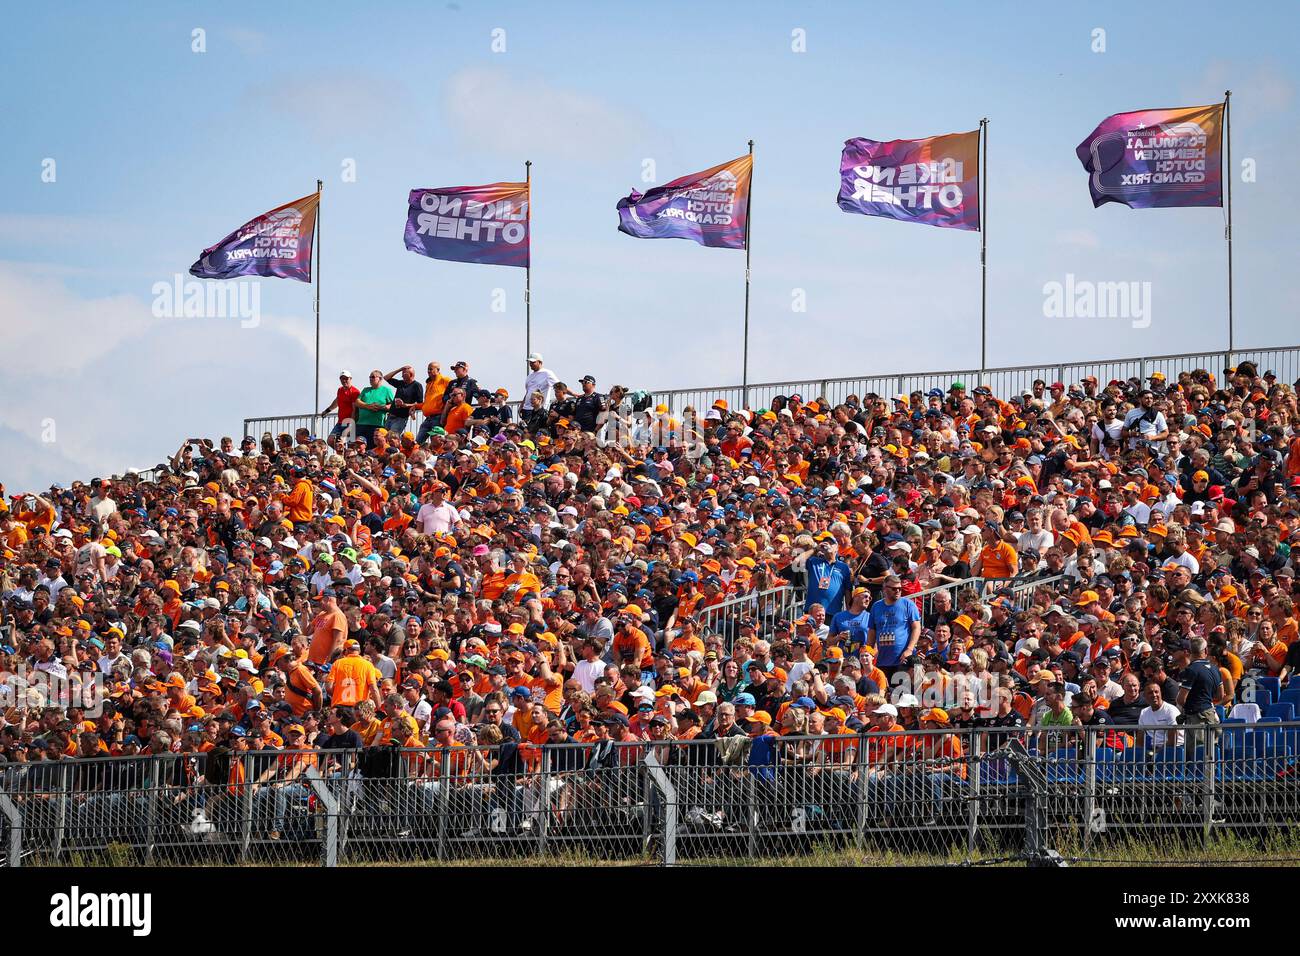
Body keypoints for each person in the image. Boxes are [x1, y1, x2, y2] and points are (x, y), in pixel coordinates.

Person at [354, 370, 395, 448]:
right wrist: (368, 406)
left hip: (376, 425)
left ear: (380, 378)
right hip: (361, 424)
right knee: (359, 447)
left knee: (373, 447)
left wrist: (382, 407)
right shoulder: (366, 390)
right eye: (370, 377)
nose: (370, 379)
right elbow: (357, 402)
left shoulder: (386, 390)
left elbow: (393, 405)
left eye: (373, 377)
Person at [320, 371, 361, 441]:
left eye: (346, 378)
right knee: (331, 440)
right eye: (342, 379)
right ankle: (341, 451)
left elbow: (355, 410)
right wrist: (327, 411)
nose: (344, 380)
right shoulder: (340, 390)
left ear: (350, 379)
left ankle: (344, 451)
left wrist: (351, 425)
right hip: (340, 422)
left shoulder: (355, 392)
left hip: (349, 422)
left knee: (348, 443)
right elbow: (337, 401)